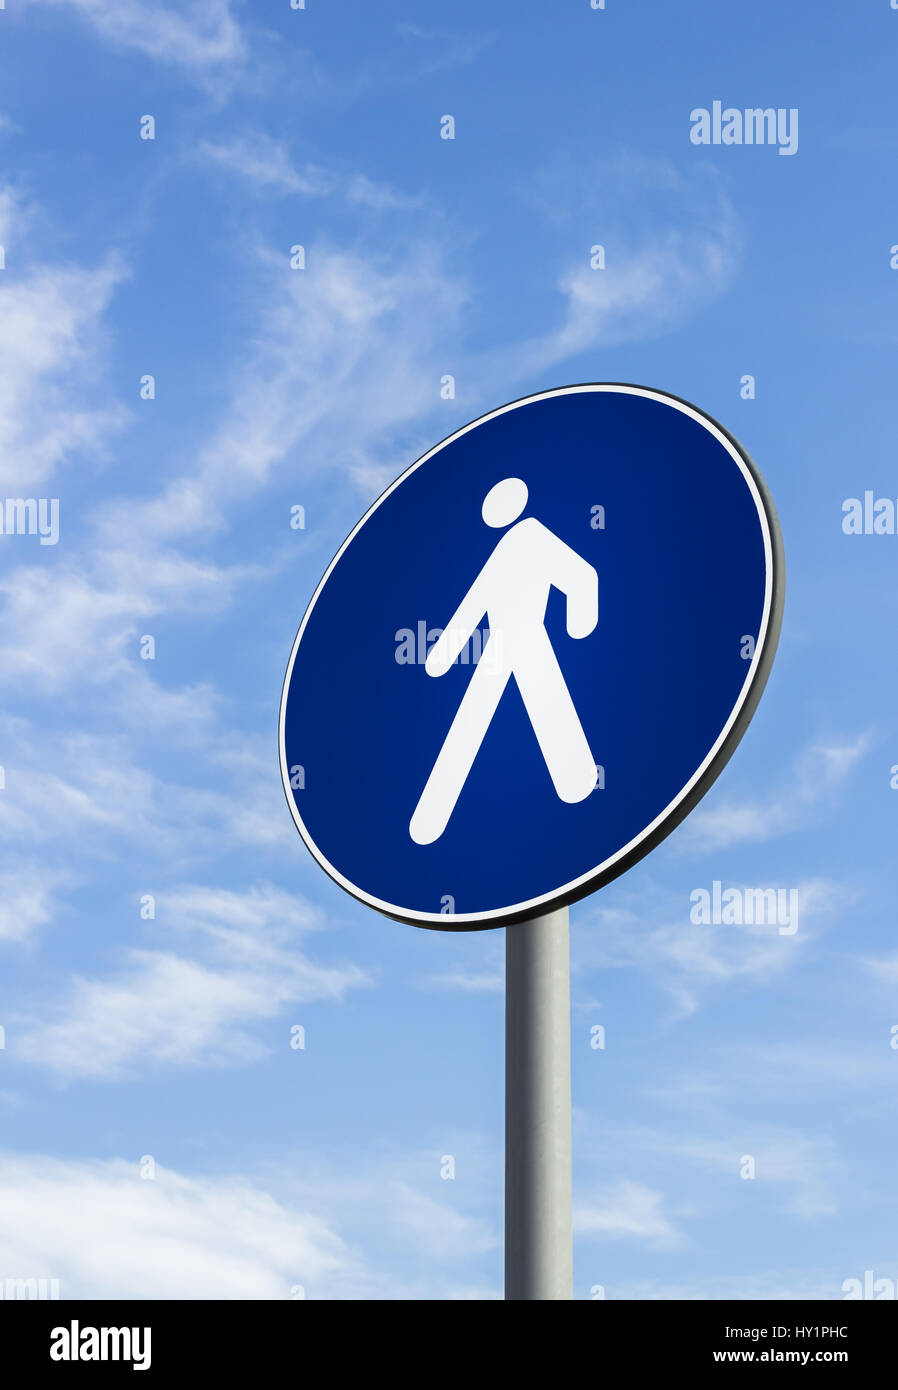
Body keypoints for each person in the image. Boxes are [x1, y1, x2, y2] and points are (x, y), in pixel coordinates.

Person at [409, 477, 599, 845]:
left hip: (528, 635)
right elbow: (474, 603)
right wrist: (442, 655)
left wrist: (580, 621)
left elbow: (580, 575)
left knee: (542, 710)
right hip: (498, 645)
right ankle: (429, 818)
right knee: (471, 721)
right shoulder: (503, 549)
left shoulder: (531, 535)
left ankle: (578, 783)